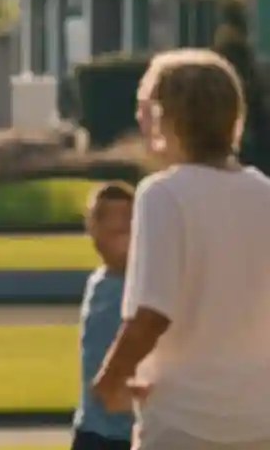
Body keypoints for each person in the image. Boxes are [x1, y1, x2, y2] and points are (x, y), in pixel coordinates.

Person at [94, 49, 270, 450]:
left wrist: (111, 378)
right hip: (259, 418)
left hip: (184, 421)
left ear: (163, 116)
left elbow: (153, 311)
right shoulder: (265, 193)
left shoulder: (164, 194)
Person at [73, 182, 136, 450]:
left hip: (126, 435)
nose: (117, 236)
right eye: (100, 221)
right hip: (91, 427)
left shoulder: (146, 288)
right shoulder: (97, 281)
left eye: (124, 228)